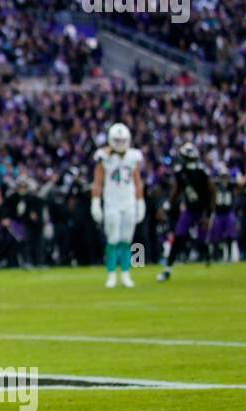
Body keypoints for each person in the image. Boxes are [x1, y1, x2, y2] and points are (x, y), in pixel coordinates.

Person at [90, 122, 144, 288]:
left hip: (128, 202)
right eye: (117, 140)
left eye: (123, 140)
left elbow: (137, 182)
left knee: (127, 239)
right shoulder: (103, 156)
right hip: (112, 202)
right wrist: (95, 201)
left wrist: (140, 201)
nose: (120, 143)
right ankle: (111, 274)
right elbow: (97, 182)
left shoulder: (133, 156)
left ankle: (127, 273)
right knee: (112, 239)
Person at [157, 143, 213, 282]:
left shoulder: (201, 172)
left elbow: (212, 192)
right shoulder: (181, 172)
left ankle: (207, 255)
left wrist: (208, 214)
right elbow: (177, 189)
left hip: (202, 210)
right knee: (178, 236)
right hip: (189, 209)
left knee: (201, 240)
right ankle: (167, 269)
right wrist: (168, 204)